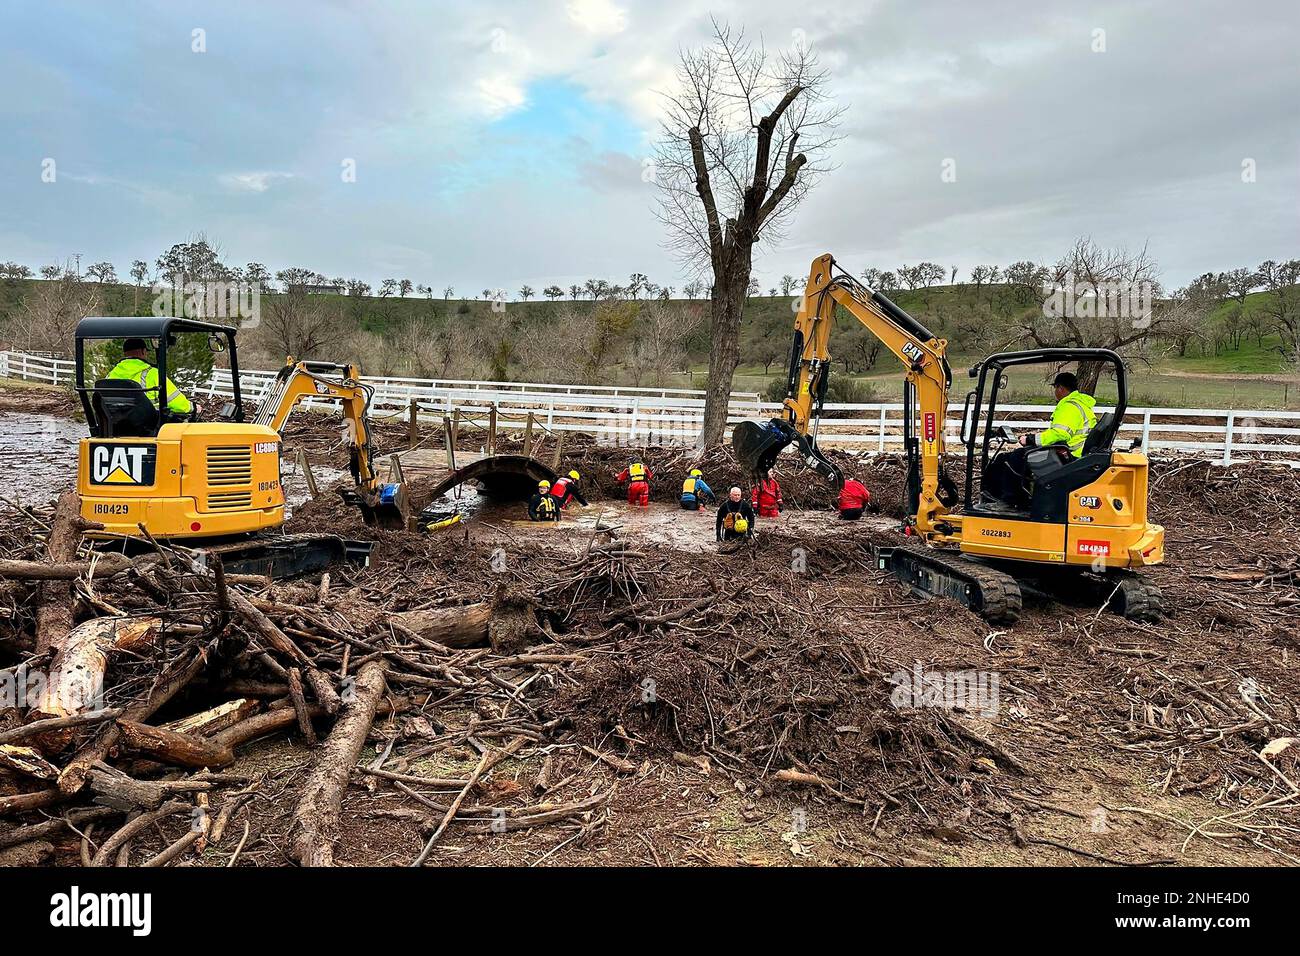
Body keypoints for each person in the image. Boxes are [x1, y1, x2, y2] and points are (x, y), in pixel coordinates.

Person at [985, 371, 1097, 507]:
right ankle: (1021, 498)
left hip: (1068, 456)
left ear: (1060, 388)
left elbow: (1060, 433)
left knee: (1015, 457)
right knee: (1019, 456)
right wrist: (1034, 438)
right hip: (1073, 453)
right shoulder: (1082, 405)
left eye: (1055, 388)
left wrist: (1031, 440)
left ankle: (1011, 501)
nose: (1055, 392)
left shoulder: (1069, 406)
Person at [106, 337, 194, 416]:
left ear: (125, 353)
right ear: (143, 351)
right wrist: (193, 407)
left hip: (116, 427)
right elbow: (177, 403)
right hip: (149, 428)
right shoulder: (153, 374)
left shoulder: (110, 376)